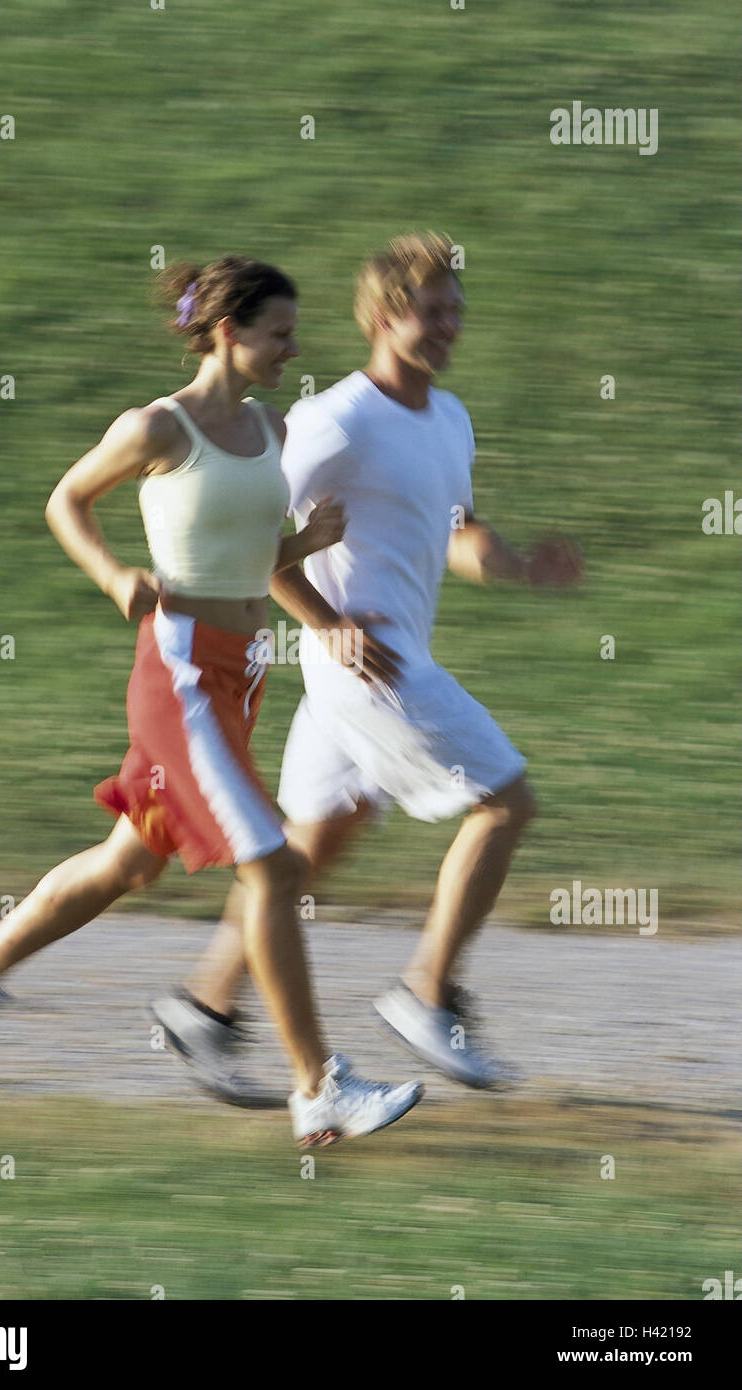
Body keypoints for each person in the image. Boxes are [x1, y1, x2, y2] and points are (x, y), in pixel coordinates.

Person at [0, 254, 423, 1148]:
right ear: (229, 333)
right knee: (269, 866)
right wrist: (114, 573)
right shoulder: (159, 427)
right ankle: (319, 1089)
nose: (291, 348)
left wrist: (304, 547)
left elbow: (258, 558)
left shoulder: (270, 427)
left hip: (243, 672)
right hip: (181, 675)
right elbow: (67, 499)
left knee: (133, 860)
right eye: (279, 333)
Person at [154, 232, 583, 1103]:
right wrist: (326, 622)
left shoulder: (451, 418)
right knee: (506, 802)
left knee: (316, 839)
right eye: (434, 311)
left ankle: (202, 1007)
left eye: (458, 310)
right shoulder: (333, 420)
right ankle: (427, 993)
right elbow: (256, 543)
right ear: (387, 319)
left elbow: (457, 530)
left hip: (387, 658)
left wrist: (520, 566)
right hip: (364, 663)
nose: (452, 325)